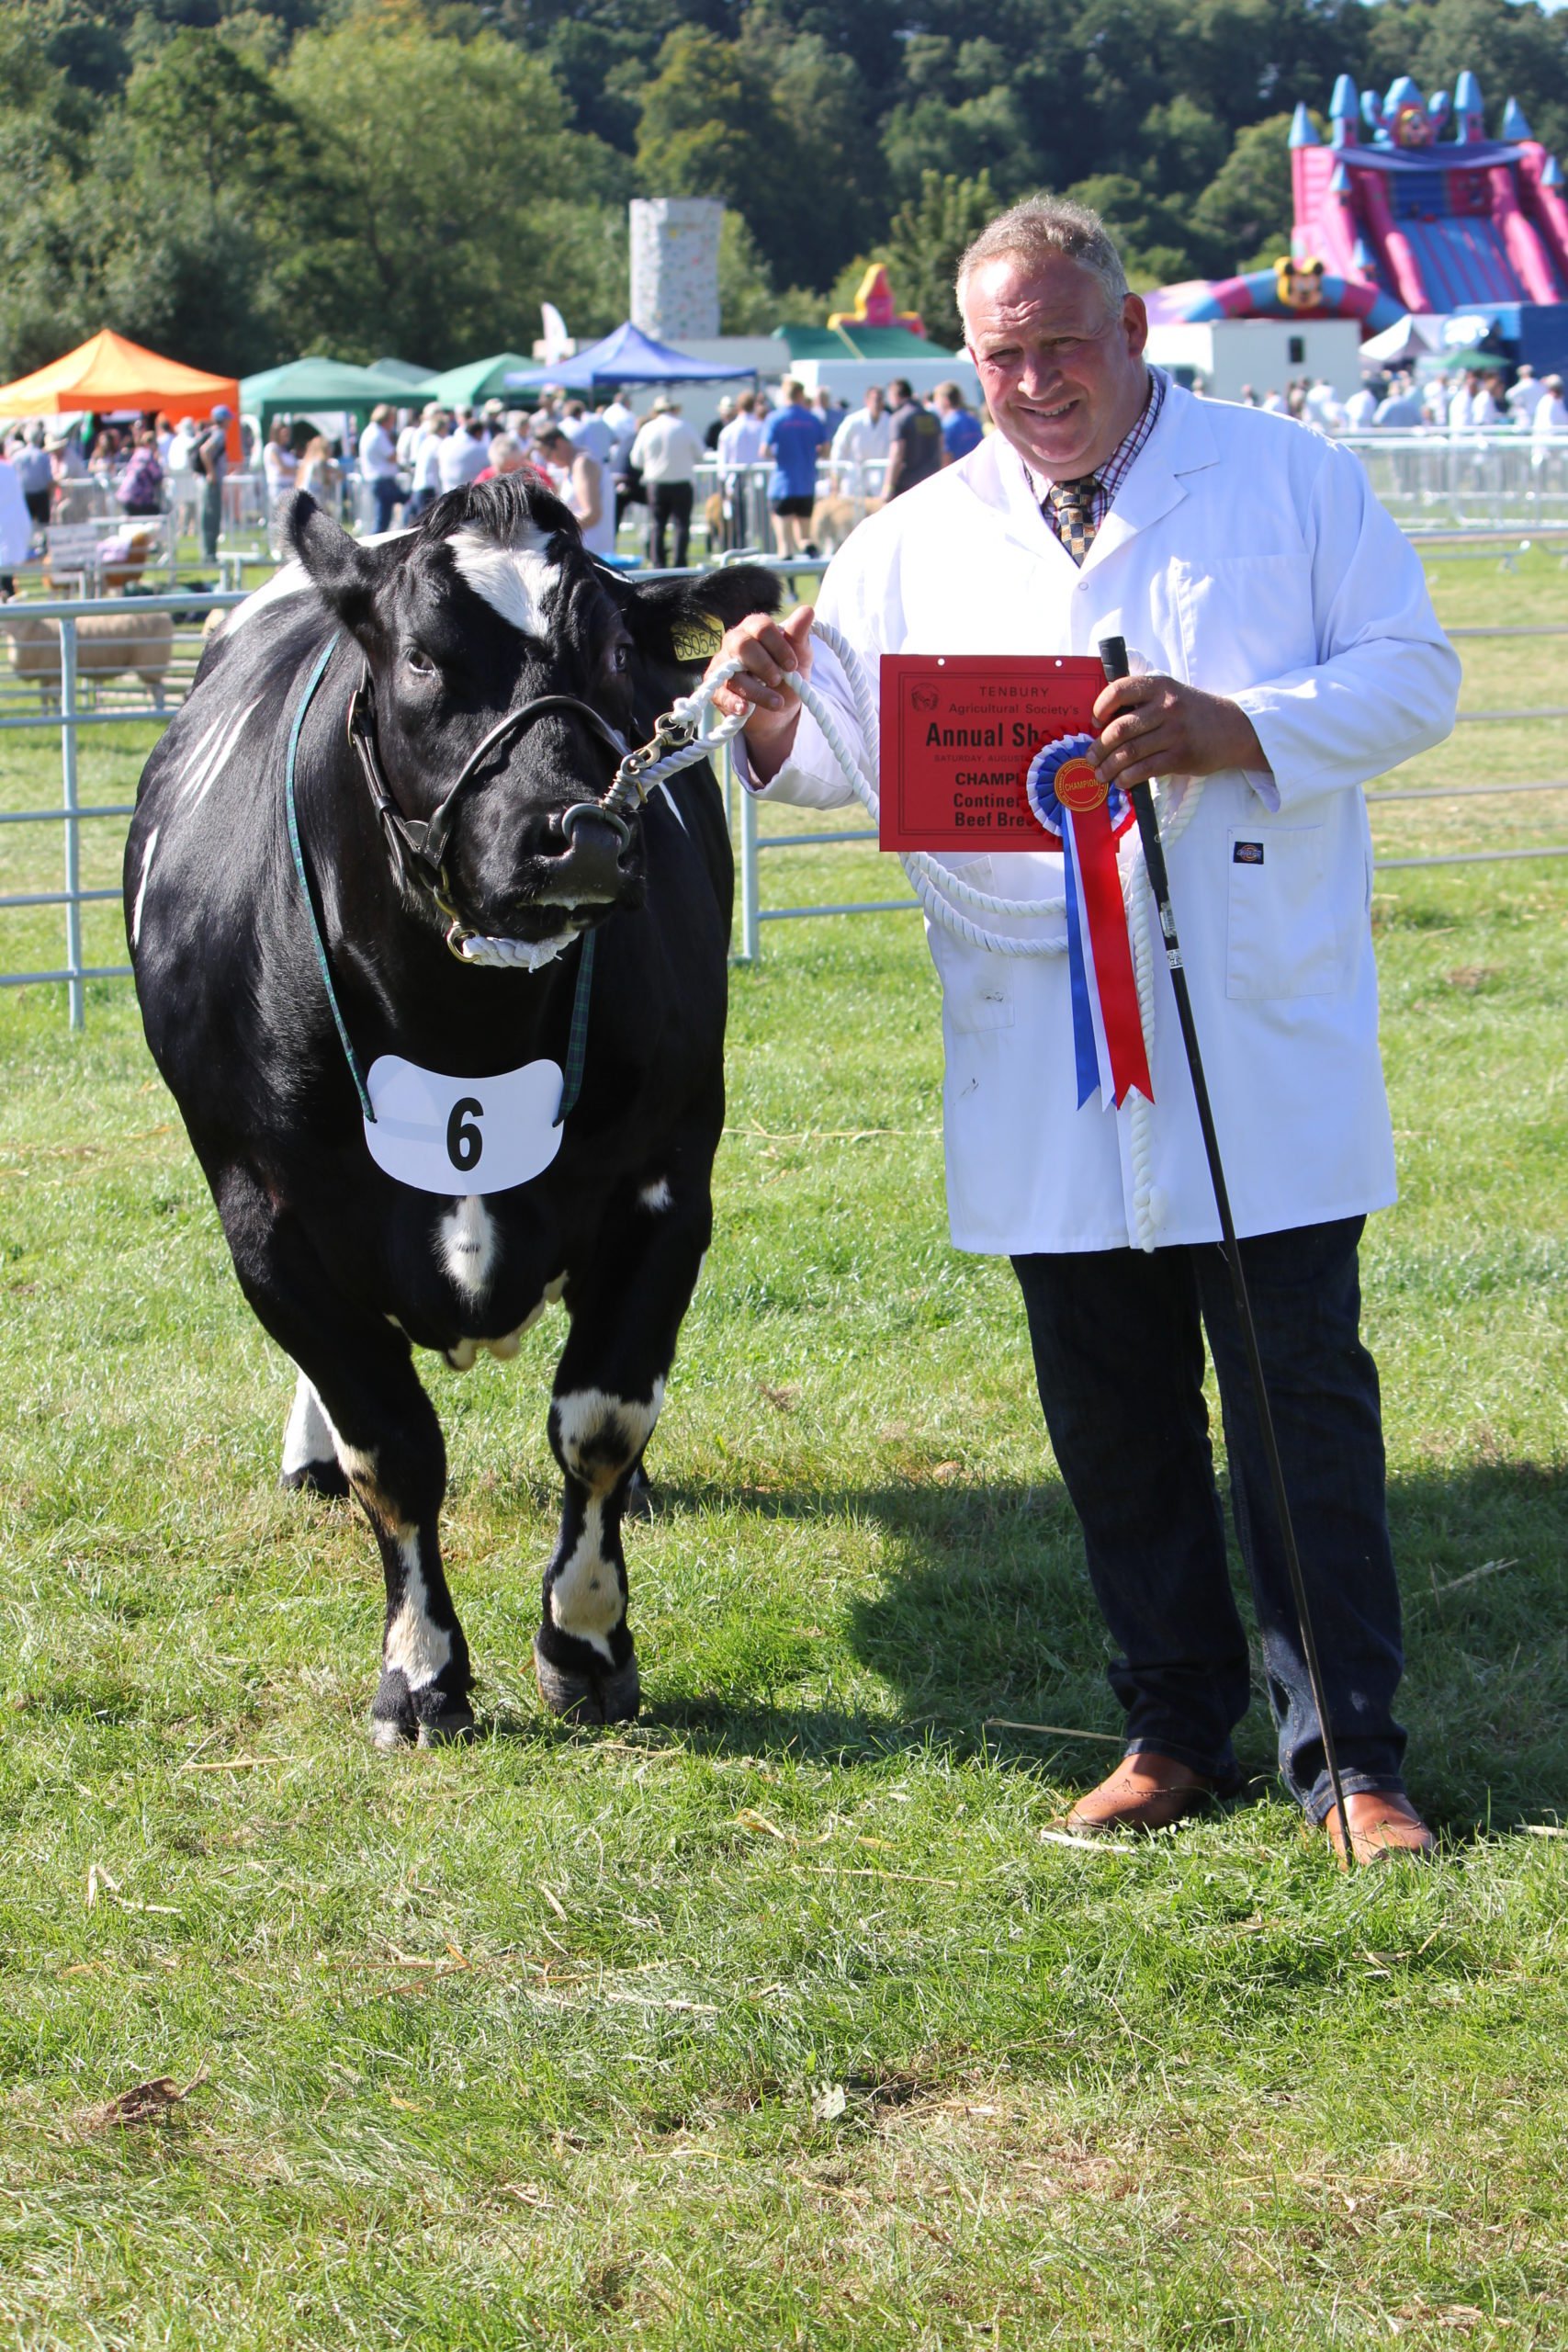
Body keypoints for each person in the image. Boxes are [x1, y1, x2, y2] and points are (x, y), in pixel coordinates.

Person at [706, 195, 1460, 1864]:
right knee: (1111, 1418)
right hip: (1039, 1046)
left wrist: (1234, 725)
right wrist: (768, 716)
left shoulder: (1286, 479)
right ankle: (1167, 1728)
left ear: (1130, 331)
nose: (1034, 382)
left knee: (1296, 1407)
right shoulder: (911, 538)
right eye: (1001, 356)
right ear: (964, 360)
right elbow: (843, 756)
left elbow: (1415, 676)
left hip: (1247, 1027)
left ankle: (1350, 1759)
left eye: (1062, 344)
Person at [629, 394, 705, 568]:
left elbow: (636, 460)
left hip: (656, 483)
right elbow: (700, 454)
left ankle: (658, 563)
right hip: (682, 482)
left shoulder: (648, 428)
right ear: (675, 410)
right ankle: (680, 563)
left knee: (657, 525)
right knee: (681, 525)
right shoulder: (685, 426)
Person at [761, 376, 829, 557]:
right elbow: (826, 449)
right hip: (806, 484)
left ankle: (787, 562)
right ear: (800, 395)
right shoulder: (812, 419)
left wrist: (778, 456)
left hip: (782, 485)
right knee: (804, 535)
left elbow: (764, 450)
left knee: (784, 543)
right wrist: (811, 455)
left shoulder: (775, 418)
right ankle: (808, 548)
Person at [536, 423, 615, 556]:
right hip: (581, 551)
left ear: (559, 443)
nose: (549, 462)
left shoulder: (583, 464)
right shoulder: (571, 467)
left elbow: (591, 514)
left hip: (592, 552)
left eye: (548, 456)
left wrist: (554, 530)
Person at [881, 378, 944, 498]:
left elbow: (896, 453)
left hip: (907, 484)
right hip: (932, 481)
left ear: (895, 395)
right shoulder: (933, 418)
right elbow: (941, 449)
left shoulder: (899, 418)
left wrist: (888, 486)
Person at [829, 383, 892, 498]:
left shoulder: (890, 422)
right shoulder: (853, 421)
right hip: (854, 475)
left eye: (880, 400)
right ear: (866, 401)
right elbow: (839, 448)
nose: (877, 404)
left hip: (879, 477)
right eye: (875, 399)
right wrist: (836, 477)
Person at [194, 404, 231, 564]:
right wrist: (211, 473)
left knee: (206, 517)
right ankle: (210, 554)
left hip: (205, 481)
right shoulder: (219, 434)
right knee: (211, 517)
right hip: (211, 482)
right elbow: (205, 450)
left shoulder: (208, 432)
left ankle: (208, 552)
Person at [358, 401, 400, 534]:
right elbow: (392, 456)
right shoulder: (379, 434)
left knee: (382, 519)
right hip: (383, 481)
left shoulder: (369, 431)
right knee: (382, 521)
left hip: (376, 480)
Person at [116, 425, 164, 517]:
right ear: (149, 443)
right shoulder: (147, 455)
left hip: (126, 495)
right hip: (138, 498)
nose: (156, 447)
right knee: (157, 515)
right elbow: (157, 475)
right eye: (155, 444)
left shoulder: (137, 454)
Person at [12, 425, 53, 528]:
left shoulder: (17, 457)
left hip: (24, 495)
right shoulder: (43, 456)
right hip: (41, 496)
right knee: (43, 526)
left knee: (26, 525)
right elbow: (48, 479)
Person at [935, 379, 984, 462]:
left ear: (946, 400)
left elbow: (946, 456)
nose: (936, 405)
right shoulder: (972, 419)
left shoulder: (947, 425)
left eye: (937, 400)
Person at [296, 434, 342, 512]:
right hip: (313, 496)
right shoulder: (318, 463)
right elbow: (324, 481)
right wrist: (335, 477)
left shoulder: (307, 461)